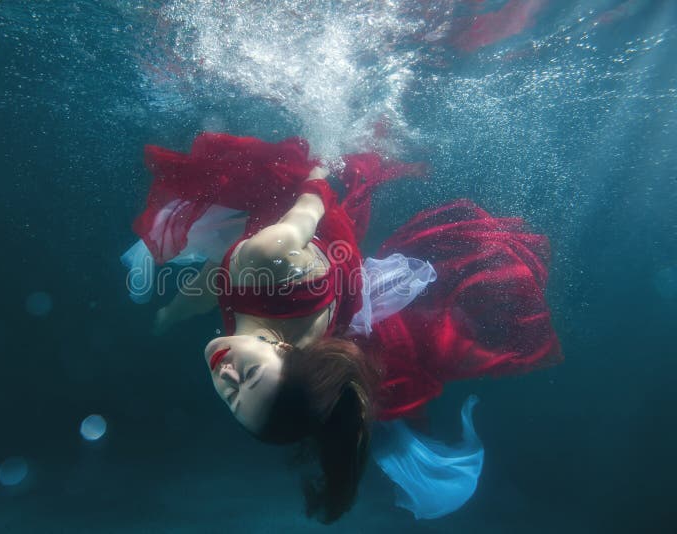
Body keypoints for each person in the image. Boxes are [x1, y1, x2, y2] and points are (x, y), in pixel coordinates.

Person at [121, 133, 562, 524]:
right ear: (288, 351)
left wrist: (169, 316)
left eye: (233, 398)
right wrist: (319, 166)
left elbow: (220, 282)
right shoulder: (266, 258)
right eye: (249, 377)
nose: (227, 376)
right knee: (325, 149)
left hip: (334, 267)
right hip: (306, 214)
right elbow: (307, 205)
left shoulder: (271, 333)